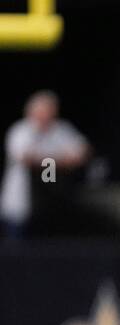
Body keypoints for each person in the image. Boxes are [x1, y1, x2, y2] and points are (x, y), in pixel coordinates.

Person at [1, 90, 89, 238]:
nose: (48, 115)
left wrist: (49, 161)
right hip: (21, 206)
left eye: (51, 111)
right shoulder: (21, 131)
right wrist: (60, 161)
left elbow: (83, 151)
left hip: (51, 204)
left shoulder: (61, 129)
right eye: (44, 111)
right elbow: (27, 159)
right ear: (32, 111)